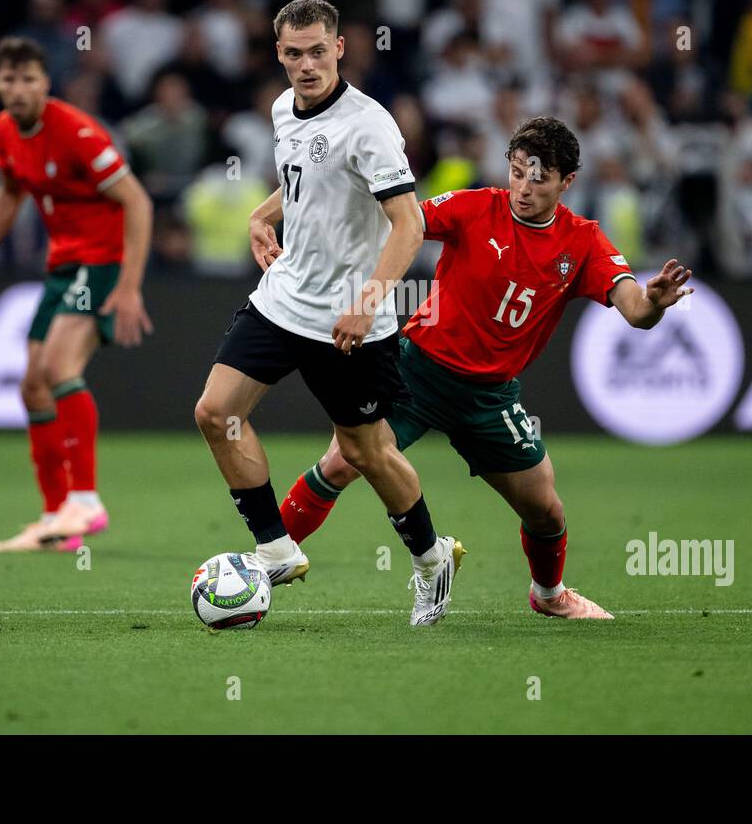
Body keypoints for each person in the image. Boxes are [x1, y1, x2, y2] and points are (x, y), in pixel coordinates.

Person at [279, 117, 693, 618]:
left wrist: (653, 304)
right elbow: (400, 221)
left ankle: (549, 596)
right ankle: (265, 559)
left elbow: (634, 310)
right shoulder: (474, 207)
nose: (523, 187)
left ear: (567, 183)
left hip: (490, 398)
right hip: (417, 372)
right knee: (342, 461)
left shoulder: (582, 242)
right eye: (517, 172)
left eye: (539, 178)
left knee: (545, 510)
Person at [193, 0, 463, 626]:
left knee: (367, 453)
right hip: (285, 299)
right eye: (294, 53)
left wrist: (368, 302)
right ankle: (275, 547)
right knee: (215, 412)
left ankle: (432, 559)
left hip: (350, 319)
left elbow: (410, 223)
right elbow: (305, 181)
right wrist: (265, 213)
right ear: (279, 54)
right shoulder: (283, 108)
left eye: (319, 51)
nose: (307, 64)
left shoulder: (370, 125)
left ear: (340, 48)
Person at [0, 37, 154, 553]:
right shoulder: (4, 130)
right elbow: (13, 191)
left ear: (46, 83)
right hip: (62, 267)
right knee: (32, 387)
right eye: (9, 80)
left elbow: (138, 201)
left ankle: (86, 500)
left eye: (29, 79)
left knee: (59, 368)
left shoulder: (78, 131)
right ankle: (54, 517)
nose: (18, 89)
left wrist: (129, 286)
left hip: (102, 261)